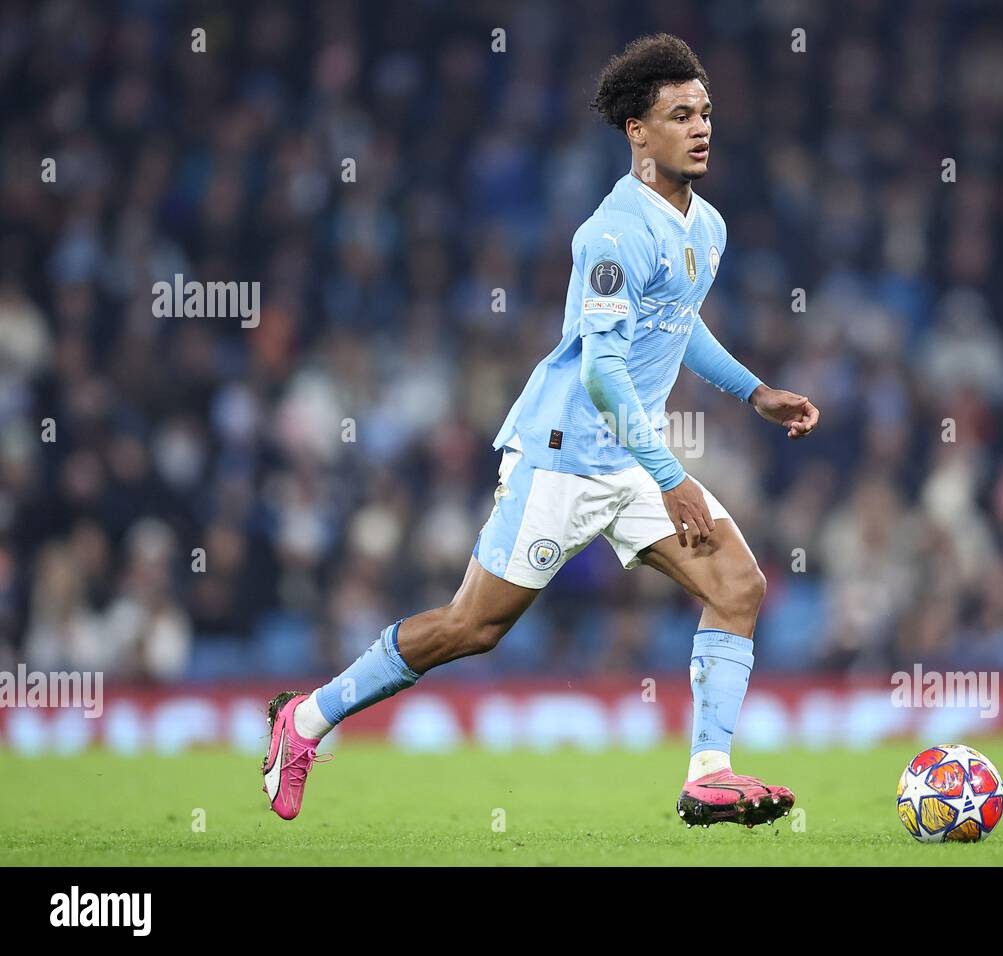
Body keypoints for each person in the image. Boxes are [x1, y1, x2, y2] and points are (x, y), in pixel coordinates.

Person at [261, 33, 820, 829]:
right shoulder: (610, 233)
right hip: (563, 455)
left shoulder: (708, 227)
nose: (701, 128)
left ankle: (709, 774)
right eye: (680, 115)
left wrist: (754, 390)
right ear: (638, 131)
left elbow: (678, 322)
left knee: (739, 585)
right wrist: (674, 476)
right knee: (471, 627)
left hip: (631, 456)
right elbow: (601, 371)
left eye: (705, 113)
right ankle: (307, 719)